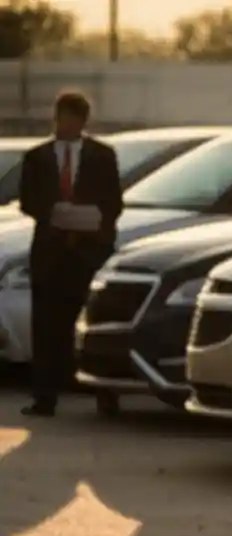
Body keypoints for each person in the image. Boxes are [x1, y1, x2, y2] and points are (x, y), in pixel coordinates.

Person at [18, 91, 123, 417]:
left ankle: (104, 395)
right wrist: (54, 213)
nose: (67, 125)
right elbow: (28, 200)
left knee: (92, 324)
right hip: (50, 251)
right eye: (63, 118)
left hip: (89, 252)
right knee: (47, 325)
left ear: (83, 121)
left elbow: (113, 202)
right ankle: (44, 397)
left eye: (74, 119)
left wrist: (93, 223)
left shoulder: (102, 156)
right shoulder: (37, 157)